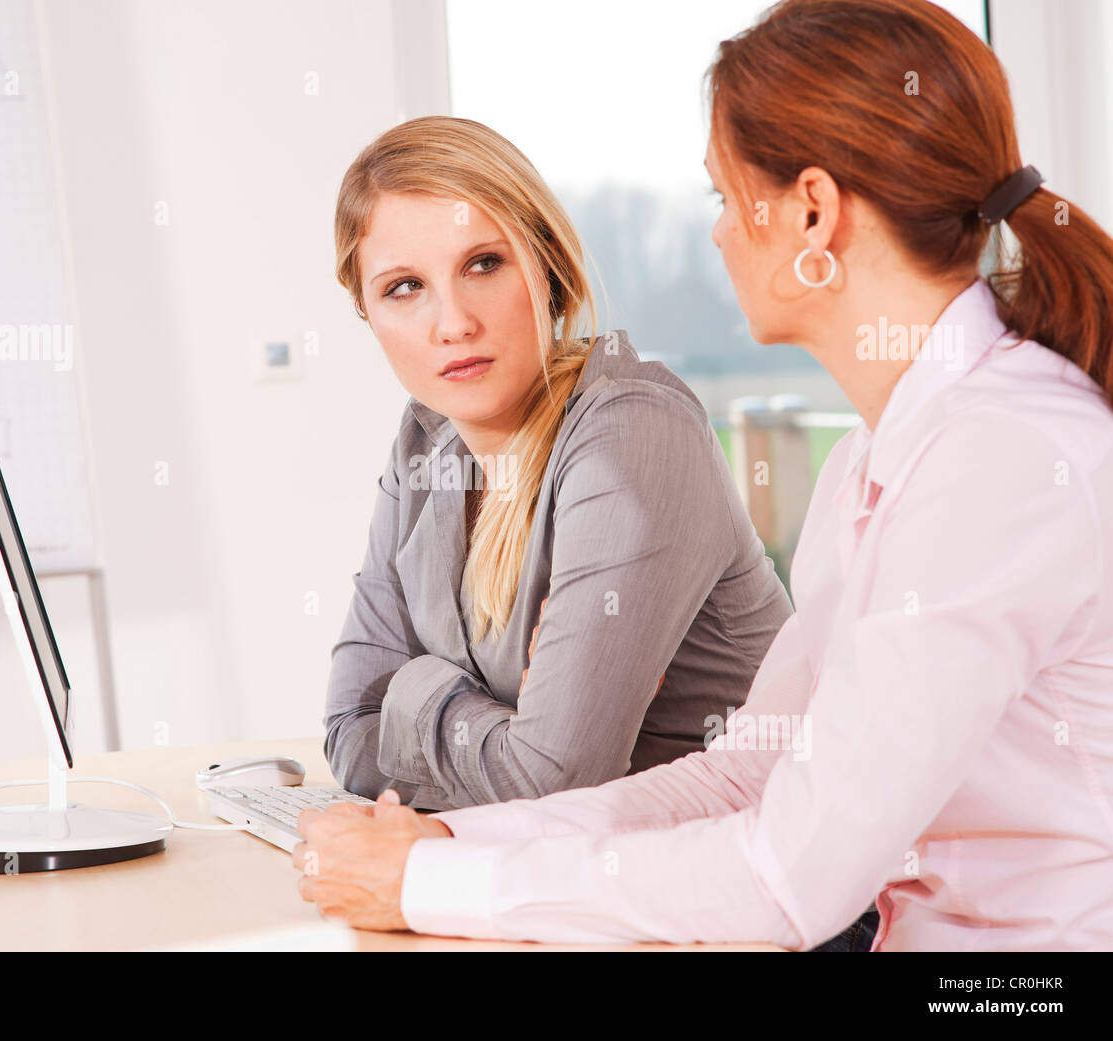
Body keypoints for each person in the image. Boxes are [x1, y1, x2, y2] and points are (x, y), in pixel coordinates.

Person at [292, 0, 1113, 951]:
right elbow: (742, 776)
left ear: (812, 211)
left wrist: (432, 883)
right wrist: (439, 842)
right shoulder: (871, 460)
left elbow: (784, 878)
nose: (720, 235)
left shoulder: (1001, 457)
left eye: (725, 198)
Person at [323, 117, 792, 812]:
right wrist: (507, 726)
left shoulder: (632, 431)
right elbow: (348, 733)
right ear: (366, 312)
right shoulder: (427, 442)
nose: (452, 323)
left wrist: (414, 690)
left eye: (483, 264)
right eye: (404, 287)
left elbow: (553, 782)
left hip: (749, 896)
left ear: (546, 266)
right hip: (574, 891)